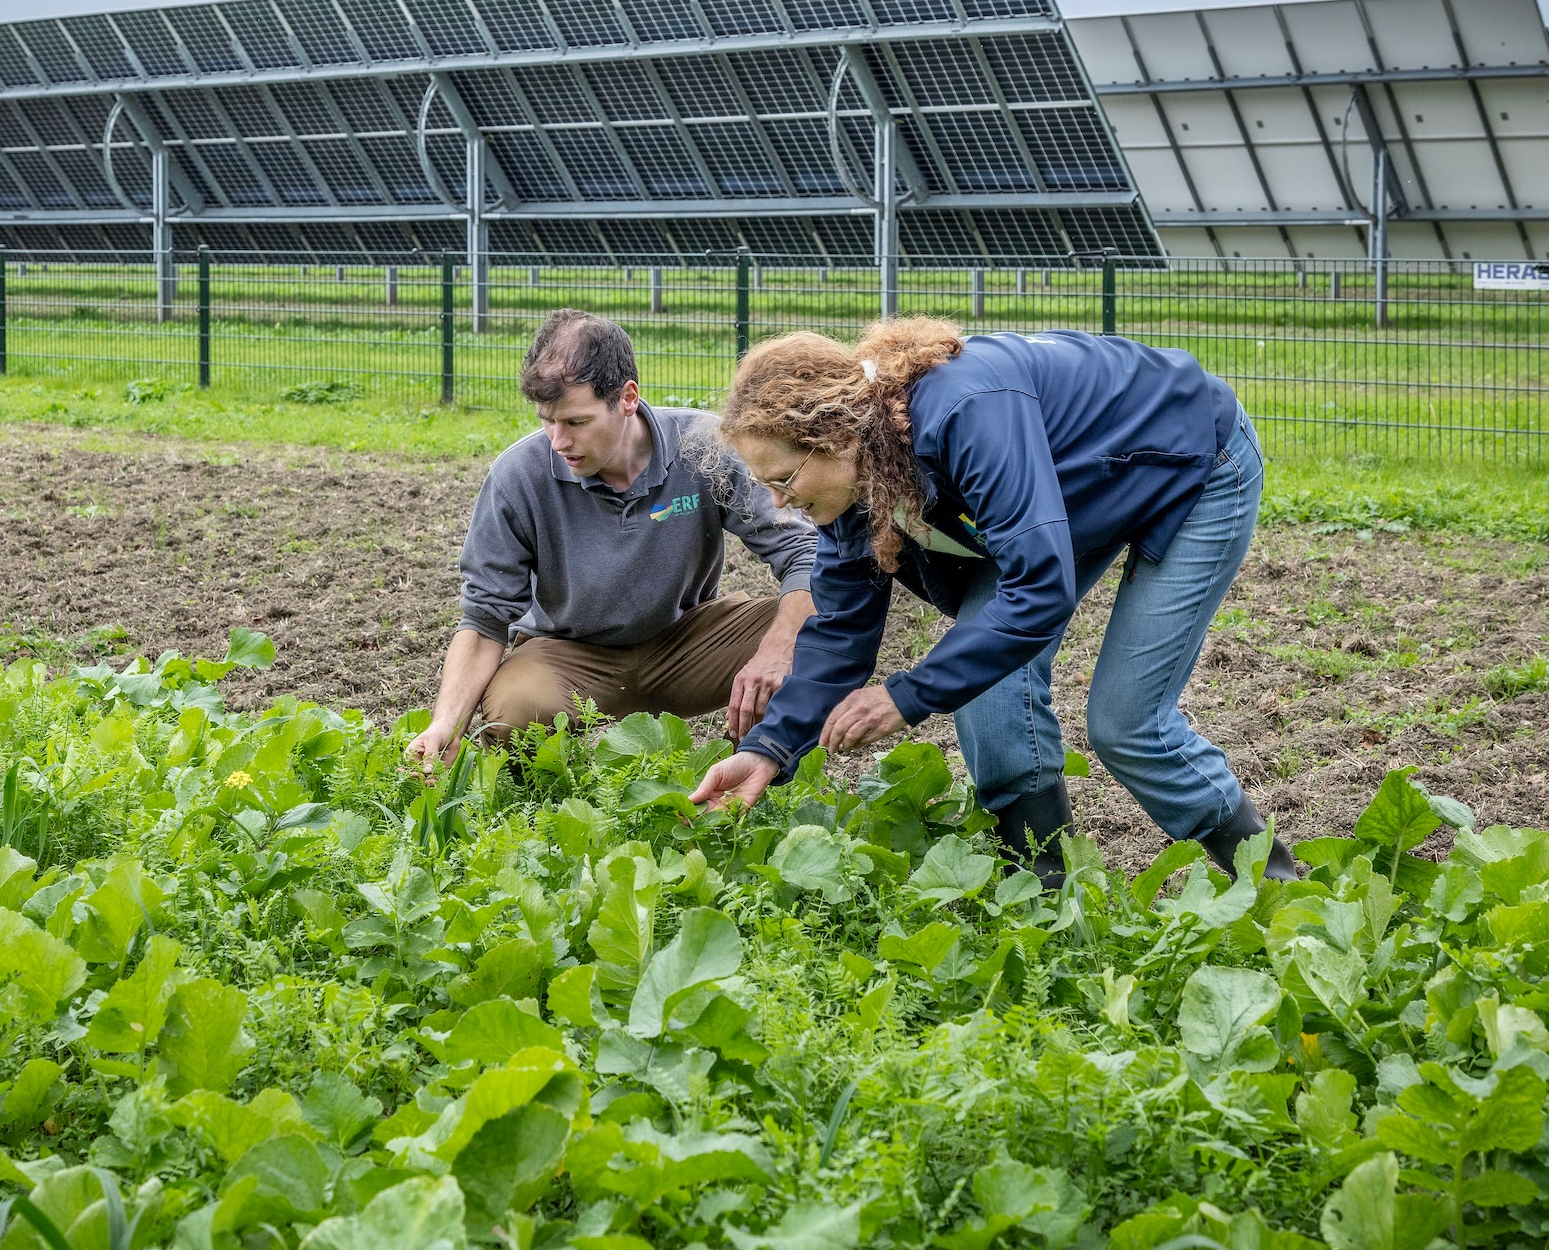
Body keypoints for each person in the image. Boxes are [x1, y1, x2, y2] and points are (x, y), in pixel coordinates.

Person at [688, 317, 1287, 885]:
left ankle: (1273, 880)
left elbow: (1038, 588)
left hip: (1188, 460)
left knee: (1126, 723)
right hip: (1072, 489)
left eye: (784, 481)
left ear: (836, 438)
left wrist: (908, 695)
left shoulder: (964, 413)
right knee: (988, 685)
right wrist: (768, 749)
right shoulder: (857, 479)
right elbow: (842, 628)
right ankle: (1047, 892)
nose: (779, 502)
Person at [405, 310, 819, 764]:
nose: (558, 441)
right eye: (547, 420)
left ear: (627, 398)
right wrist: (446, 722)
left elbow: (802, 551)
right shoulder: (516, 478)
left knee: (817, 636)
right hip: (570, 658)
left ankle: (760, 769)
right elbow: (485, 618)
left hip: (686, 643)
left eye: (576, 422)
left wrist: (776, 651)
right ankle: (552, 799)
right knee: (512, 713)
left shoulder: (704, 446)